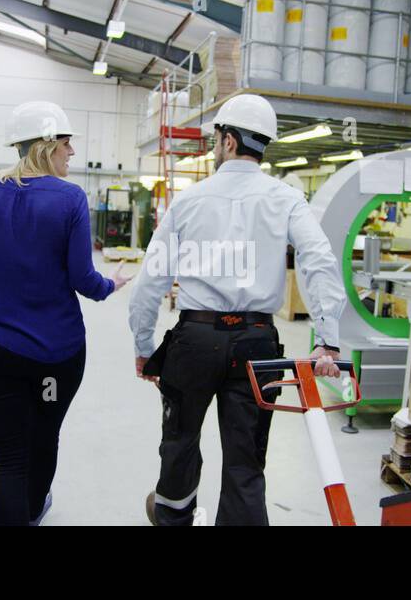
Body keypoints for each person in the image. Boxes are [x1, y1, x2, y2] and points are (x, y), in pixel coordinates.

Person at [128, 94, 347, 526]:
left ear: (228, 141)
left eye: (216, 140)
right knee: (247, 460)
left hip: (194, 339)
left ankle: (173, 514)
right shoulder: (286, 199)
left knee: (180, 441)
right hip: (258, 345)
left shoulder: (189, 201)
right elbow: (318, 261)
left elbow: (150, 280)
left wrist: (144, 344)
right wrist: (328, 340)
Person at [0, 101, 133, 526]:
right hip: (54, 360)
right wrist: (112, 284)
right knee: (43, 438)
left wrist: (6, 293)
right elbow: (82, 279)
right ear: (49, 144)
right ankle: (34, 511)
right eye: (68, 144)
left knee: (5, 460)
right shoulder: (70, 198)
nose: (72, 154)